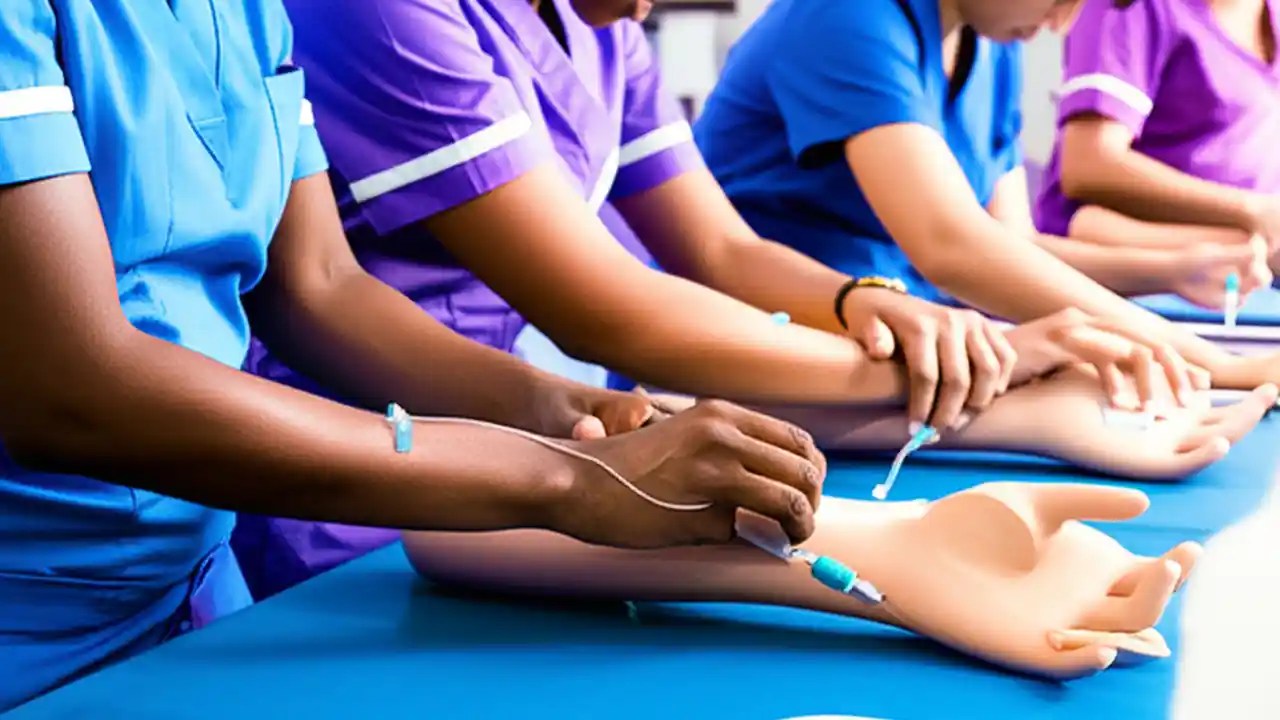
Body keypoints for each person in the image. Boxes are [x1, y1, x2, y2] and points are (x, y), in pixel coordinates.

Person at [0, 0, 842, 710]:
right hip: (30, 622)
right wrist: (567, 479)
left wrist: (567, 411)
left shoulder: (249, 10)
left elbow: (318, 285)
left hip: (192, 587)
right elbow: (76, 389)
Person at [235, 0, 1210, 599]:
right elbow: (608, 309)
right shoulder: (388, 14)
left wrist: (860, 298)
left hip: (526, 419)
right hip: (373, 449)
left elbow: (717, 245)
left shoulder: (598, 29)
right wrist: (972, 368)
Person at [693, 0, 1280, 382]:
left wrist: (1168, 269)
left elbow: (1014, 244)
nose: (1064, 23)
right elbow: (952, 247)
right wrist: (1208, 361)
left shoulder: (993, 43)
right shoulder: (848, 16)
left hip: (914, 349)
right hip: (774, 357)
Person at [1034, 0, 1280, 283]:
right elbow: (1087, 167)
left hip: (1243, 265)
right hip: (1123, 264)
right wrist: (1253, 213)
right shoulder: (1129, 8)